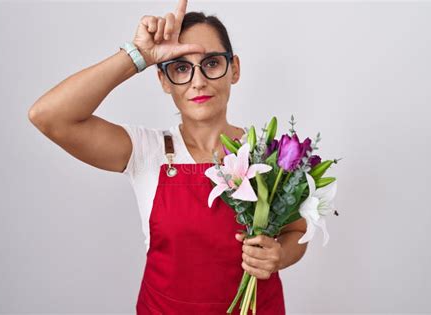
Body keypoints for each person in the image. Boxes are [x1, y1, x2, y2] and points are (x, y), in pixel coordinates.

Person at [28, 0, 307, 313]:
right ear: (163, 79)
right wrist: (138, 56)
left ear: (234, 68)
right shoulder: (146, 150)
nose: (198, 81)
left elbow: (297, 232)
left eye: (212, 63)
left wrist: (279, 256)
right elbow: (48, 116)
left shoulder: (269, 155)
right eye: (180, 67)